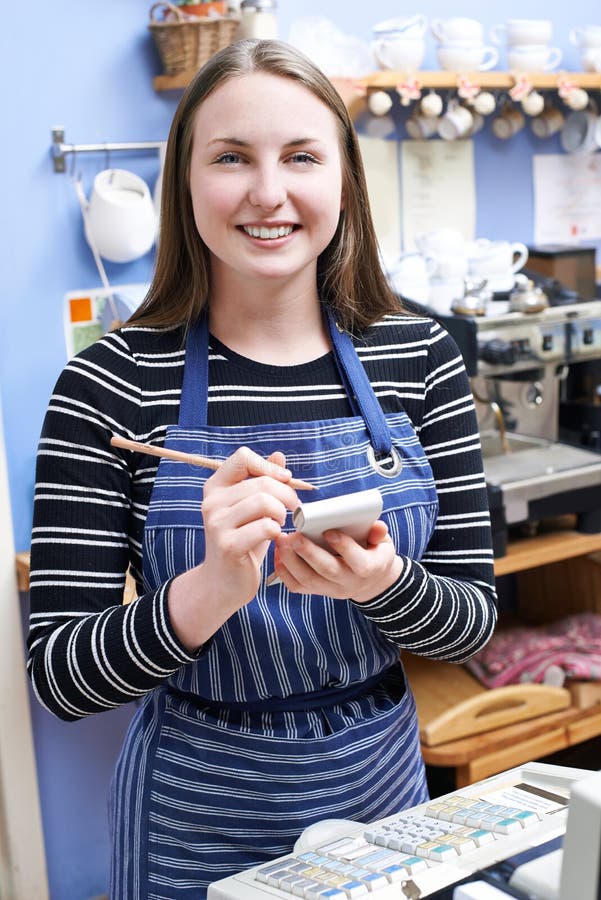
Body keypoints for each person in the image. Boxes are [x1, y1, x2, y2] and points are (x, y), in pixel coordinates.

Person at [28, 38, 497, 899]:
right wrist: (206, 592)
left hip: (383, 800)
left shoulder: (419, 356)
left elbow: (472, 626)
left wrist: (384, 584)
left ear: (344, 179)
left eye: (302, 157)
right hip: (195, 821)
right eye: (231, 157)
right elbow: (61, 678)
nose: (268, 192)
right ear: (185, 181)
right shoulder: (106, 385)